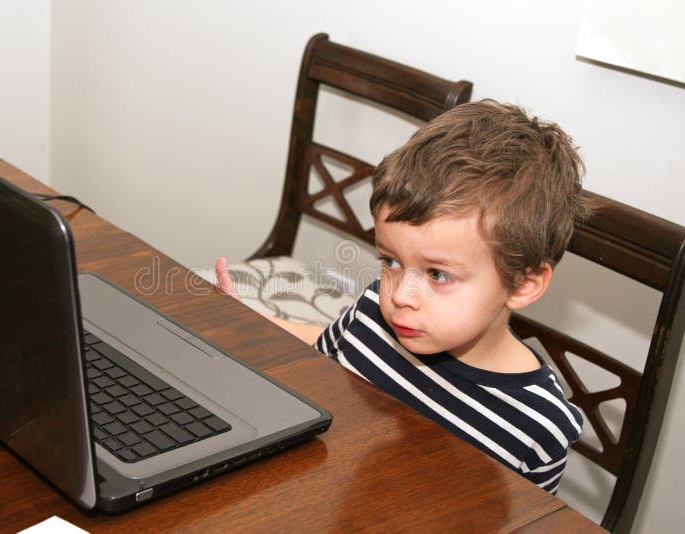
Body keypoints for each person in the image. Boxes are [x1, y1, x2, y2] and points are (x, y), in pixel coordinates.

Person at [215, 99, 591, 494]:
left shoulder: (538, 424)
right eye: (391, 261)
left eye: (438, 274)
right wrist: (243, 319)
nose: (400, 295)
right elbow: (325, 347)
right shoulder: (374, 316)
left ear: (522, 284)